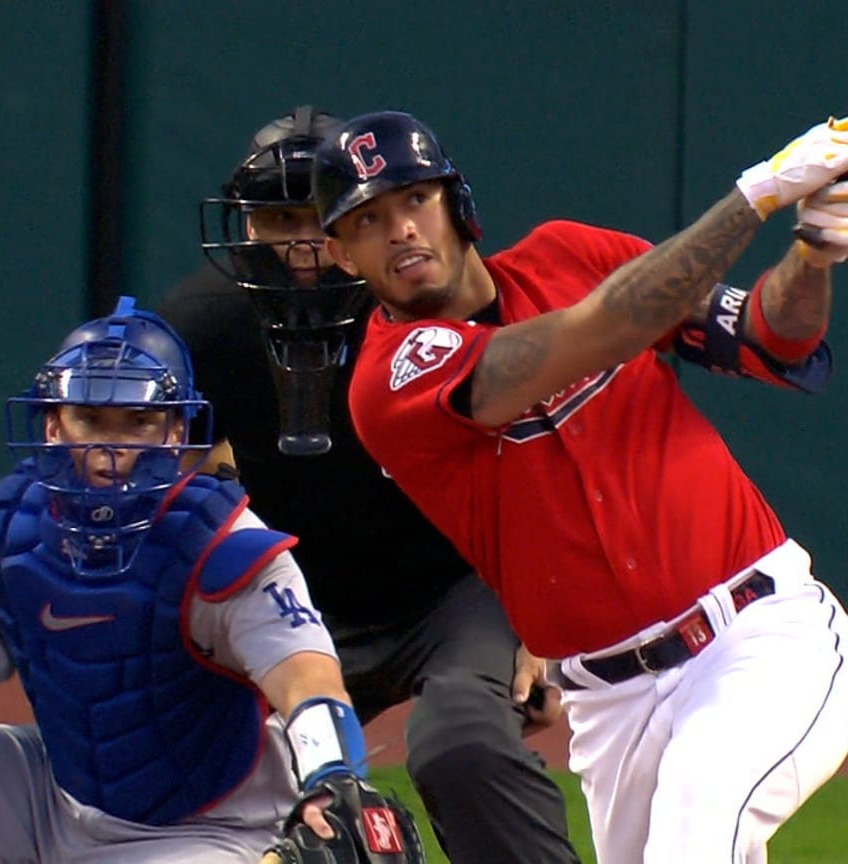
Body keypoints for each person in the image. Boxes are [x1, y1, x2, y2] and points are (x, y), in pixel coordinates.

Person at [314, 109, 848, 863]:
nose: (399, 229)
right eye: (367, 220)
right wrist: (756, 195)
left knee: (700, 818)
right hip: (612, 706)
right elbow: (598, 329)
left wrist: (813, 254)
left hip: (756, 635)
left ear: (456, 204)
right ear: (339, 253)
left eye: (413, 200)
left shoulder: (568, 254)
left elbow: (769, 332)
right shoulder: (389, 378)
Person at [0, 298, 403, 864]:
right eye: (92, 421)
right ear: (54, 424)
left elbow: (308, 678)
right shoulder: (12, 533)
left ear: (176, 431)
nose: (113, 451)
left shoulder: (225, 545)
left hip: (216, 829)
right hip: (54, 803)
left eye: (138, 424)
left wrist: (332, 778)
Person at [159, 106, 579, 864]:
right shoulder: (205, 324)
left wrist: (536, 620)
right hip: (295, 600)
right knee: (202, 766)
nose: (300, 247)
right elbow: (174, 481)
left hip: (452, 588)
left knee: (463, 742)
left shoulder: (434, 307)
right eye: (276, 219)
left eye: (317, 218)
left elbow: (533, 458)